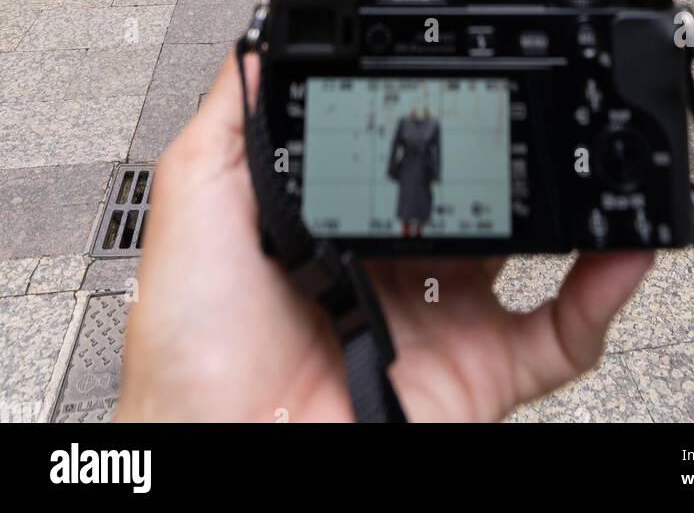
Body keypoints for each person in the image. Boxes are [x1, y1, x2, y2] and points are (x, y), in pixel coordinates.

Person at [115, 50, 654, 423]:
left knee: (416, 212)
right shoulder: (413, 124)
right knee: (411, 210)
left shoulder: (419, 124)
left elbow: (425, 157)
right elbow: (406, 157)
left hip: (416, 187)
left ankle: (415, 227)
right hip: (411, 186)